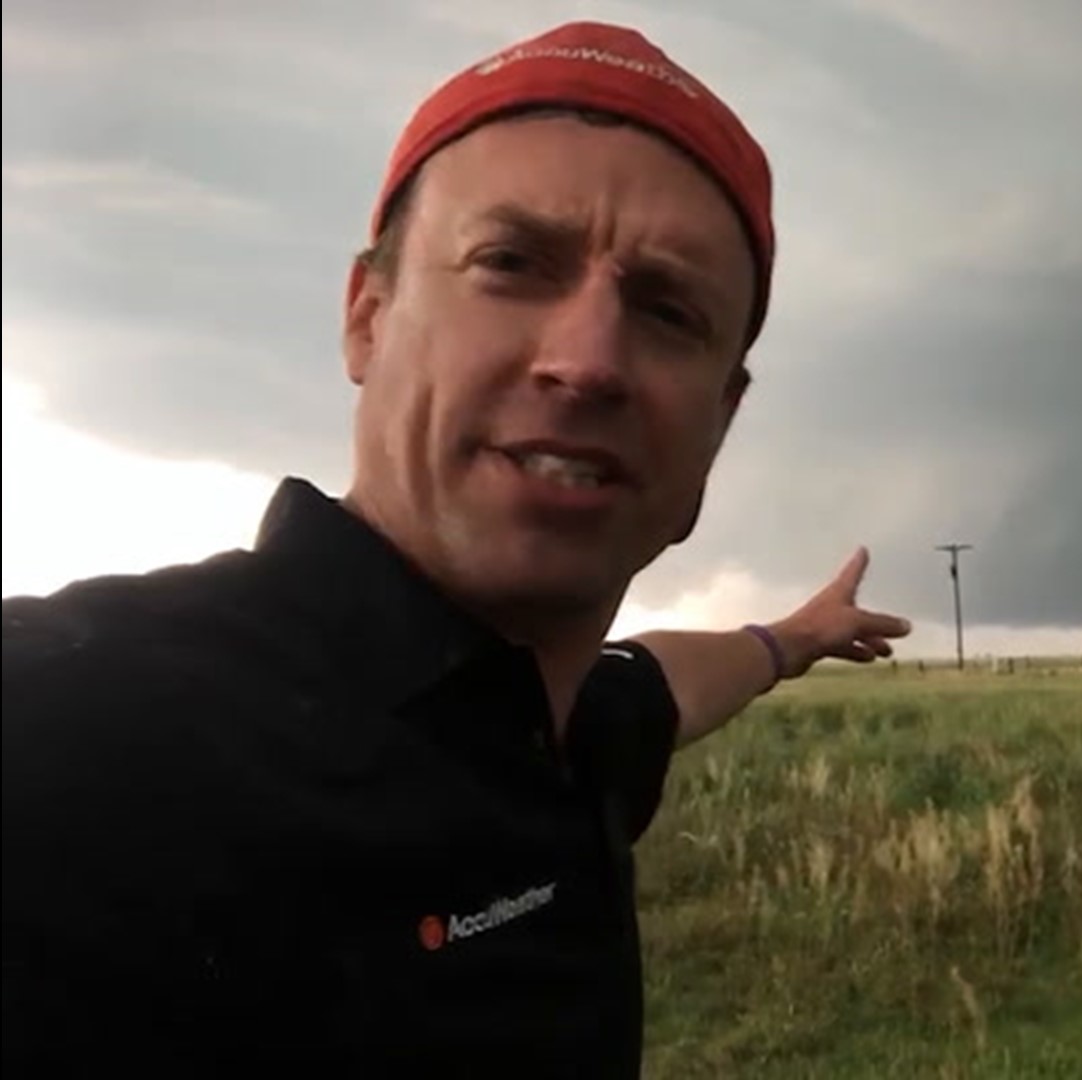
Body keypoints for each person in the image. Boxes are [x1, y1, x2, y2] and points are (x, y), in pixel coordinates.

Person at [0, 20, 911, 1078]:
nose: (587, 361)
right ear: (368, 316)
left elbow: (665, 681)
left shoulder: (565, 732)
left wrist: (795, 638)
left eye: (668, 311)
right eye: (511, 264)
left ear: (720, 424)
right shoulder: (76, 737)